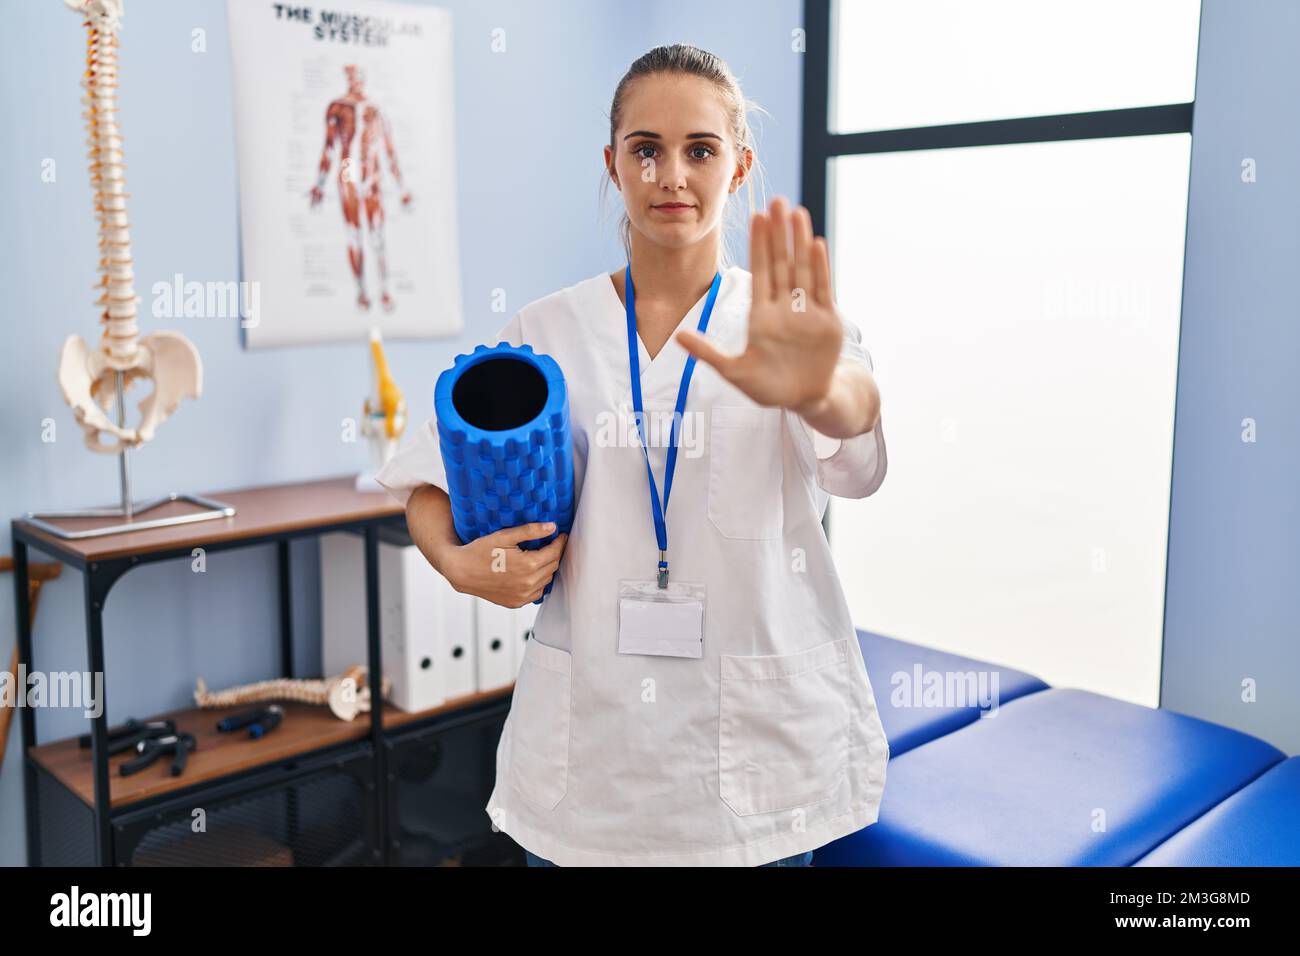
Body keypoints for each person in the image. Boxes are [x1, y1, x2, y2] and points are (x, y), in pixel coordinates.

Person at [376, 43, 889, 867]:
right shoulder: (544, 330)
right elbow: (428, 476)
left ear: (740, 164)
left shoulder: (788, 321)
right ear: (612, 165)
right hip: (596, 763)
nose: (671, 176)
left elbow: (858, 459)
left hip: (760, 760)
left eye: (700, 150)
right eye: (645, 149)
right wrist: (455, 563)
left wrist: (820, 387)